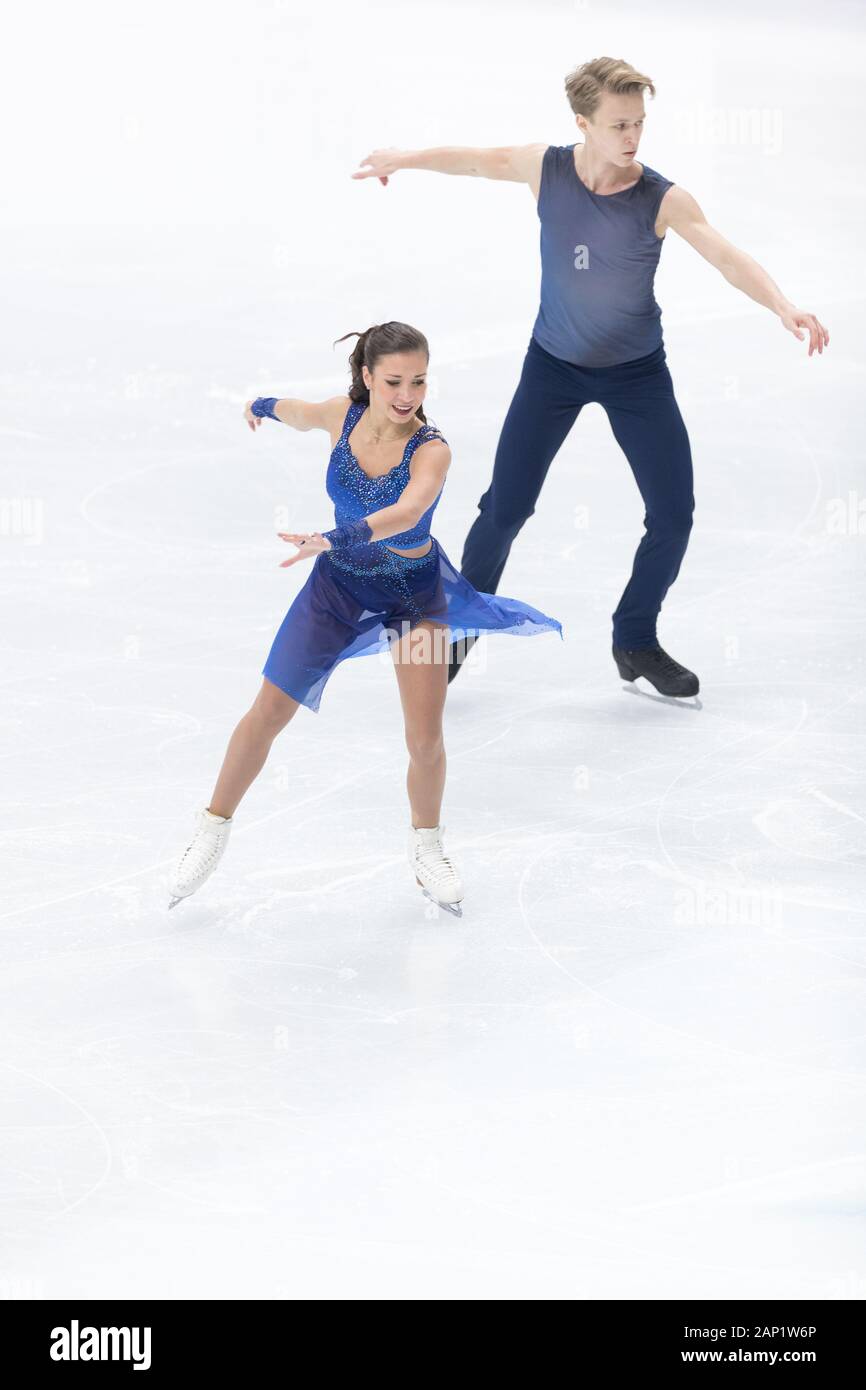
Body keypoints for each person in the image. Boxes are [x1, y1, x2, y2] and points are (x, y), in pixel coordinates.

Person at [352, 56, 829, 698]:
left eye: (639, 123)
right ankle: (456, 628)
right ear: (583, 123)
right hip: (553, 367)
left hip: (637, 375)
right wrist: (400, 158)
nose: (632, 137)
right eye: (618, 124)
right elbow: (474, 159)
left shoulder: (662, 198)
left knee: (673, 514)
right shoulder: (544, 168)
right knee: (506, 507)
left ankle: (634, 637)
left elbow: (724, 256)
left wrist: (783, 305)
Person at [166, 321, 563, 917]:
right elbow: (299, 412)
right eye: (395, 380)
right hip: (339, 590)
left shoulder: (432, 448)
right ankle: (211, 829)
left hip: (414, 598)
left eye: (420, 380)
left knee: (424, 736)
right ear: (367, 378)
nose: (408, 394)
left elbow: (407, 512)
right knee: (269, 710)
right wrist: (262, 405)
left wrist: (330, 536)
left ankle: (427, 846)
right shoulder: (339, 416)